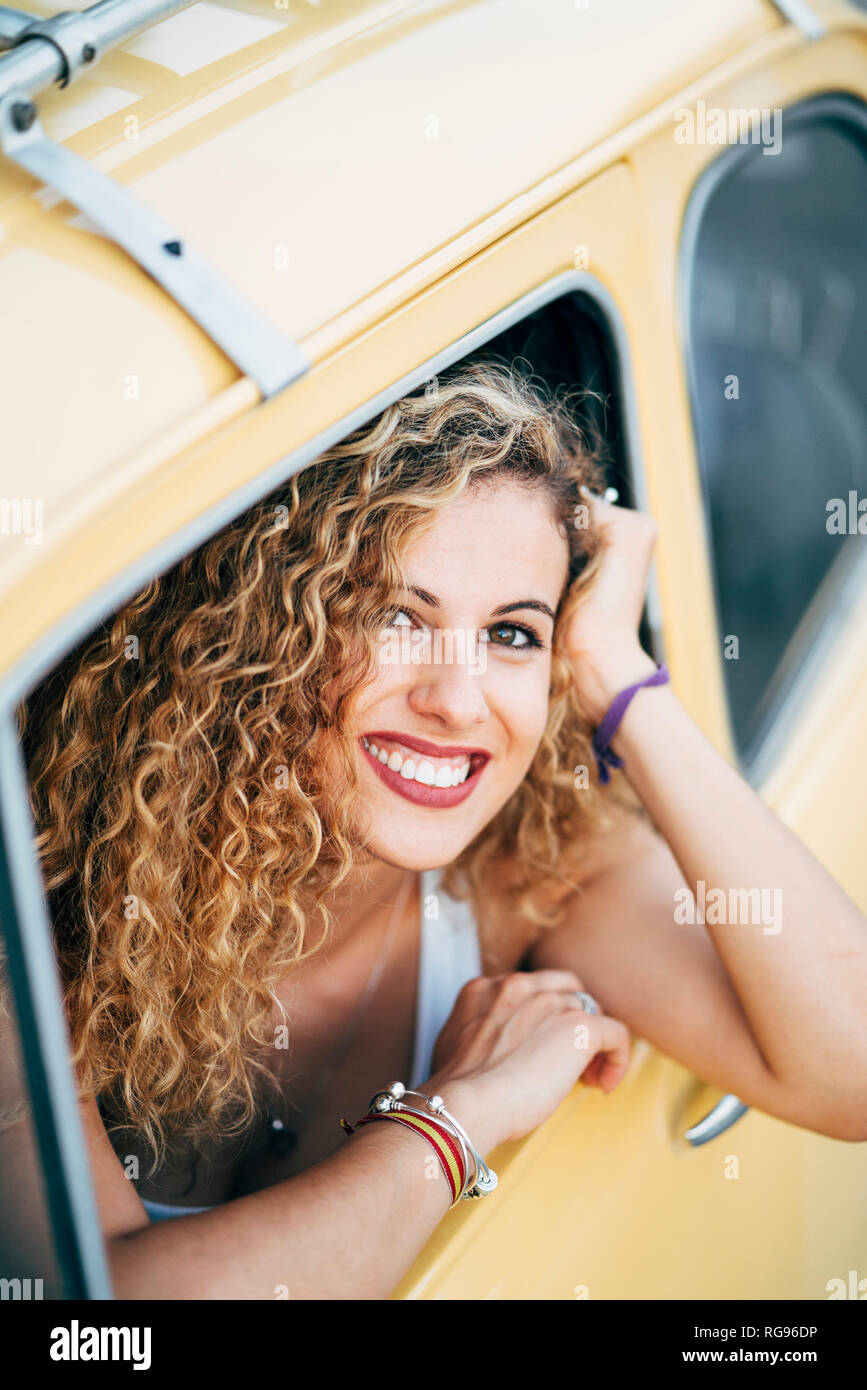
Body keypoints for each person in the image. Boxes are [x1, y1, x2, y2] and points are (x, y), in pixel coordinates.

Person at [17, 360, 867, 1299]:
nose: (459, 702)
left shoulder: (521, 873)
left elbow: (852, 1065)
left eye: (512, 634)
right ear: (257, 636)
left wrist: (615, 671)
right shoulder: (48, 907)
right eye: (396, 614)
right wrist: (456, 1116)